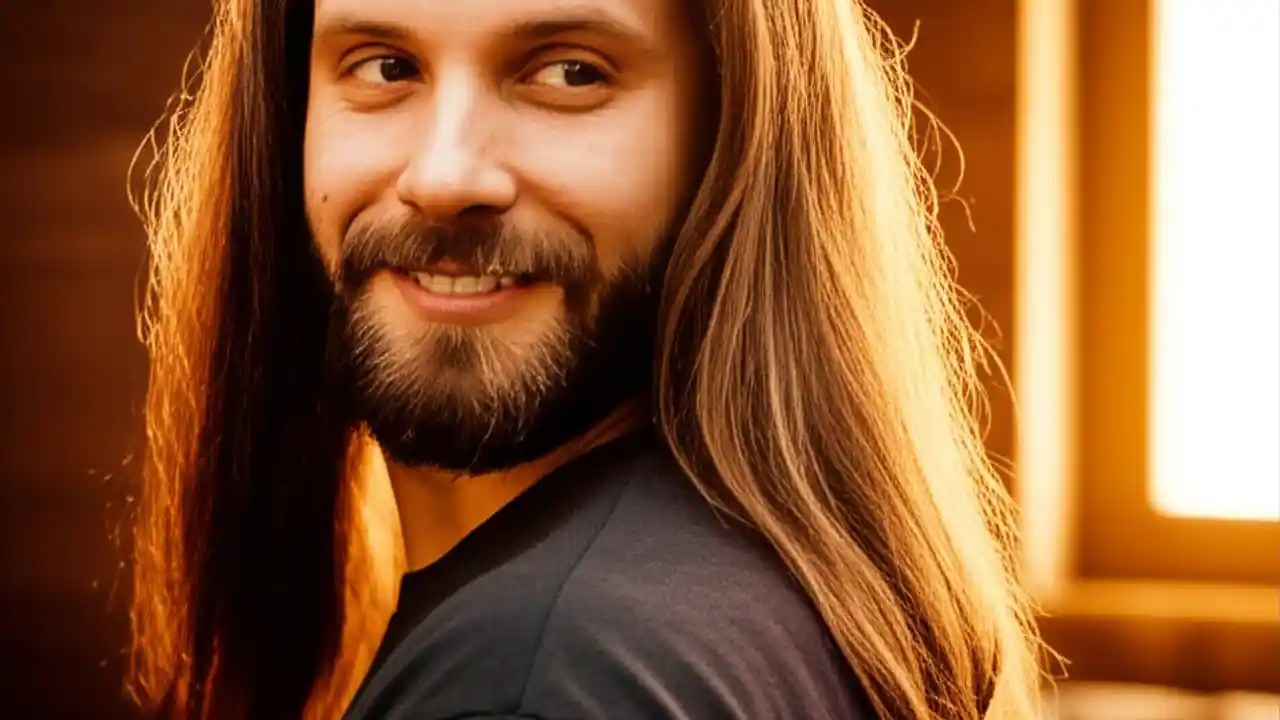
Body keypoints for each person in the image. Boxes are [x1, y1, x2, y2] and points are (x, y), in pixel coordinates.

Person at [127, 0, 1044, 717]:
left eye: (570, 71)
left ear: (729, 131)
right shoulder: (765, 599)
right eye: (384, 65)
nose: (445, 176)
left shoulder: (539, 679)